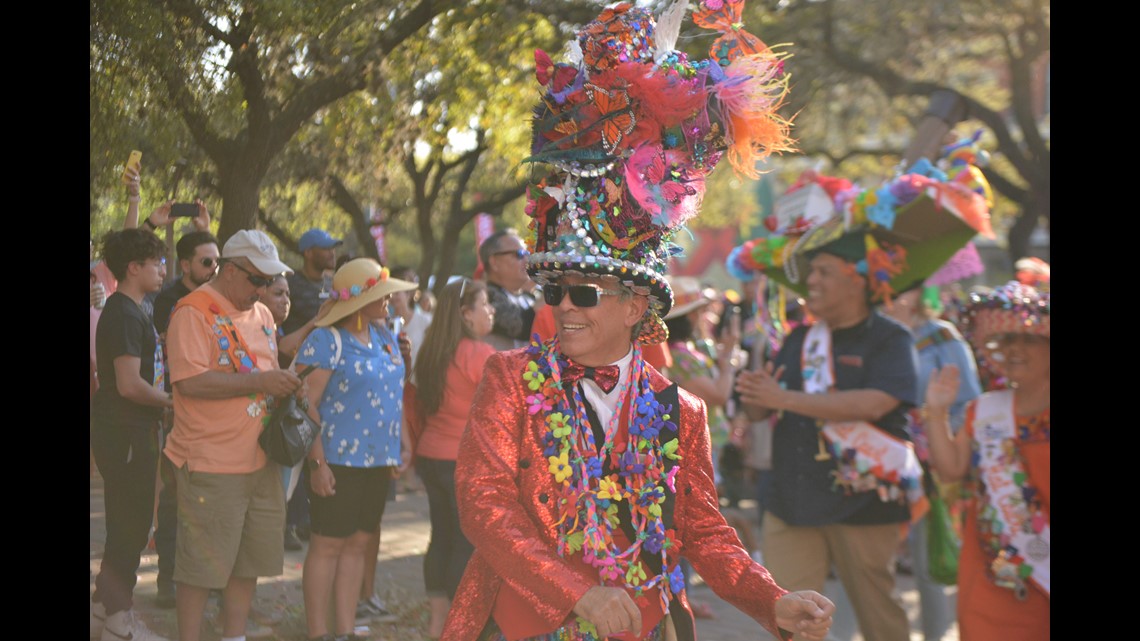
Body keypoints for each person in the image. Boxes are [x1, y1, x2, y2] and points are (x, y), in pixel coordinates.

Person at [441, 3, 835, 640]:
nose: (563, 305)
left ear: (634, 306)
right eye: (556, 291)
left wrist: (772, 602)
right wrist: (581, 594)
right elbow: (484, 508)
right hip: (525, 623)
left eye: (583, 294)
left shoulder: (681, 409)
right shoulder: (510, 378)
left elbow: (704, 530)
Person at [163, 229, 302, 641]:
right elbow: (189, 383)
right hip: (210, 462)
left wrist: (290, 385)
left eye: (269, 281)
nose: (262, 290)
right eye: (256, 280)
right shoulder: (192, 311)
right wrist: (262, 382)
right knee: (200, 570)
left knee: (249, 563)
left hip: (262, 460)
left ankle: (233, 635)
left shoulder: (261, 314)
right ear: (228, 269)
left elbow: (266, 374)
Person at [294, 258, 418, 641]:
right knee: (328, 544)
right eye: (380, 294)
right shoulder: (326, 340)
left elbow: (394, 390)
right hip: (337, 460)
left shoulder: (384, 335)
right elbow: (305, 403)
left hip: (378, 459)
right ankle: (318, 633)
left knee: (359, 542)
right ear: (357, 300)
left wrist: (404, 443)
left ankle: (344, 630)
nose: (389, 300)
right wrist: (317, 463)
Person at [922, 281, 1049, 641]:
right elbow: (952, 469)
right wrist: (936, 412)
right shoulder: (986, 410)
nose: (1013, 350)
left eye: (1028, 340)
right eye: (1006, 342)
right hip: (993, 573)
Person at [881, 283, 983, 641]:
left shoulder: (941, 335)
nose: (890, 298)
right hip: (878, 461)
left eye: (898, 290)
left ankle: (936, 635)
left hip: (929, 465)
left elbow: (969, 401)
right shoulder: (874, 334)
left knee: (929, 561)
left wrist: (939, 443)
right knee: (872, 562)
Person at [90, 228, 175, 641]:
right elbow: (127, 384)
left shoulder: (135, 308)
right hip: (124, 431)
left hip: (131, 429)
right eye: (155, 263)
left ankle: (104, 610)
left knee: (130, 523)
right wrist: (171, 402)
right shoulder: (123, 313)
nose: (163, 269)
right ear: (133, 268)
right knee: (131, 524)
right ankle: (121, 618)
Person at [411, 277, 496, 638]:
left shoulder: (431, 349)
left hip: (431, 455)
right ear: (465, 313)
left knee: (442, 534)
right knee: (467, 542)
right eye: (485, 305)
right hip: (462, 460)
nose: (491, 312)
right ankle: (465, 625)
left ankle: (438, 620)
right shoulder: (479, 354)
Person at [149, 217, 218, 610]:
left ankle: (212, 581)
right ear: (185, 264)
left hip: (219, 412)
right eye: (206, 262)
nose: (213, 270)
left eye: (217, 262)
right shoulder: (167, 298)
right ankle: (167, 579)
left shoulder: (222, 297)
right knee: (175, 496)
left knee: (214, 497)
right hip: (178, 409)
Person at [282, 228, 344, 550]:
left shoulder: (333, 286)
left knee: (313, 445)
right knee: (294, 447)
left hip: (327, 373)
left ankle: (304, 520)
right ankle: (286, 523)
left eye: (333, 248)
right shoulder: (290, 285)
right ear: (307, 252)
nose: (331, 253)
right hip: (291, 374)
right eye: (325, 248)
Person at [478, 228, 540, 351]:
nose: (527, 260)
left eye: (527, 254)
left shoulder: (530, 297)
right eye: (519, 254)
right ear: (494, 262)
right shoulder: (484, 298)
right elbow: (522, 326)